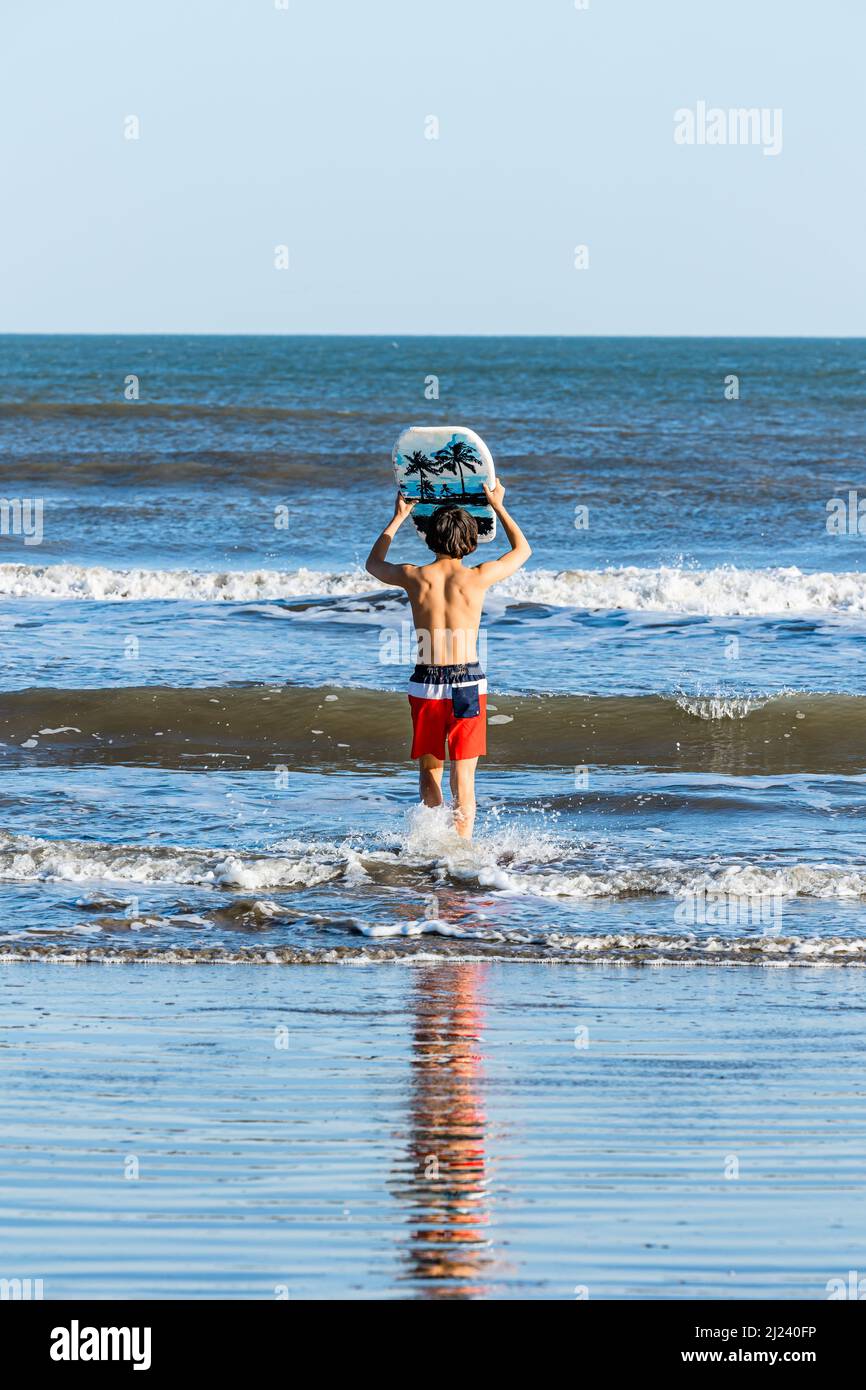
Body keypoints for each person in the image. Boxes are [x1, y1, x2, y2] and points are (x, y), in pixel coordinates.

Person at [365, 479, 531, 838]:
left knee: (429, 770)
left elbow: (373, 564)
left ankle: (432, 841)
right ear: (471, 543)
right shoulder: (477, 576)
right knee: (464, 776)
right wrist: (499, 505)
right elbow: (522, 550)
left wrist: (398, 517)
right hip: (467, 682)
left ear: (428, 538)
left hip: (426, 682)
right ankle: (461, 847)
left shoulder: (415, 576)